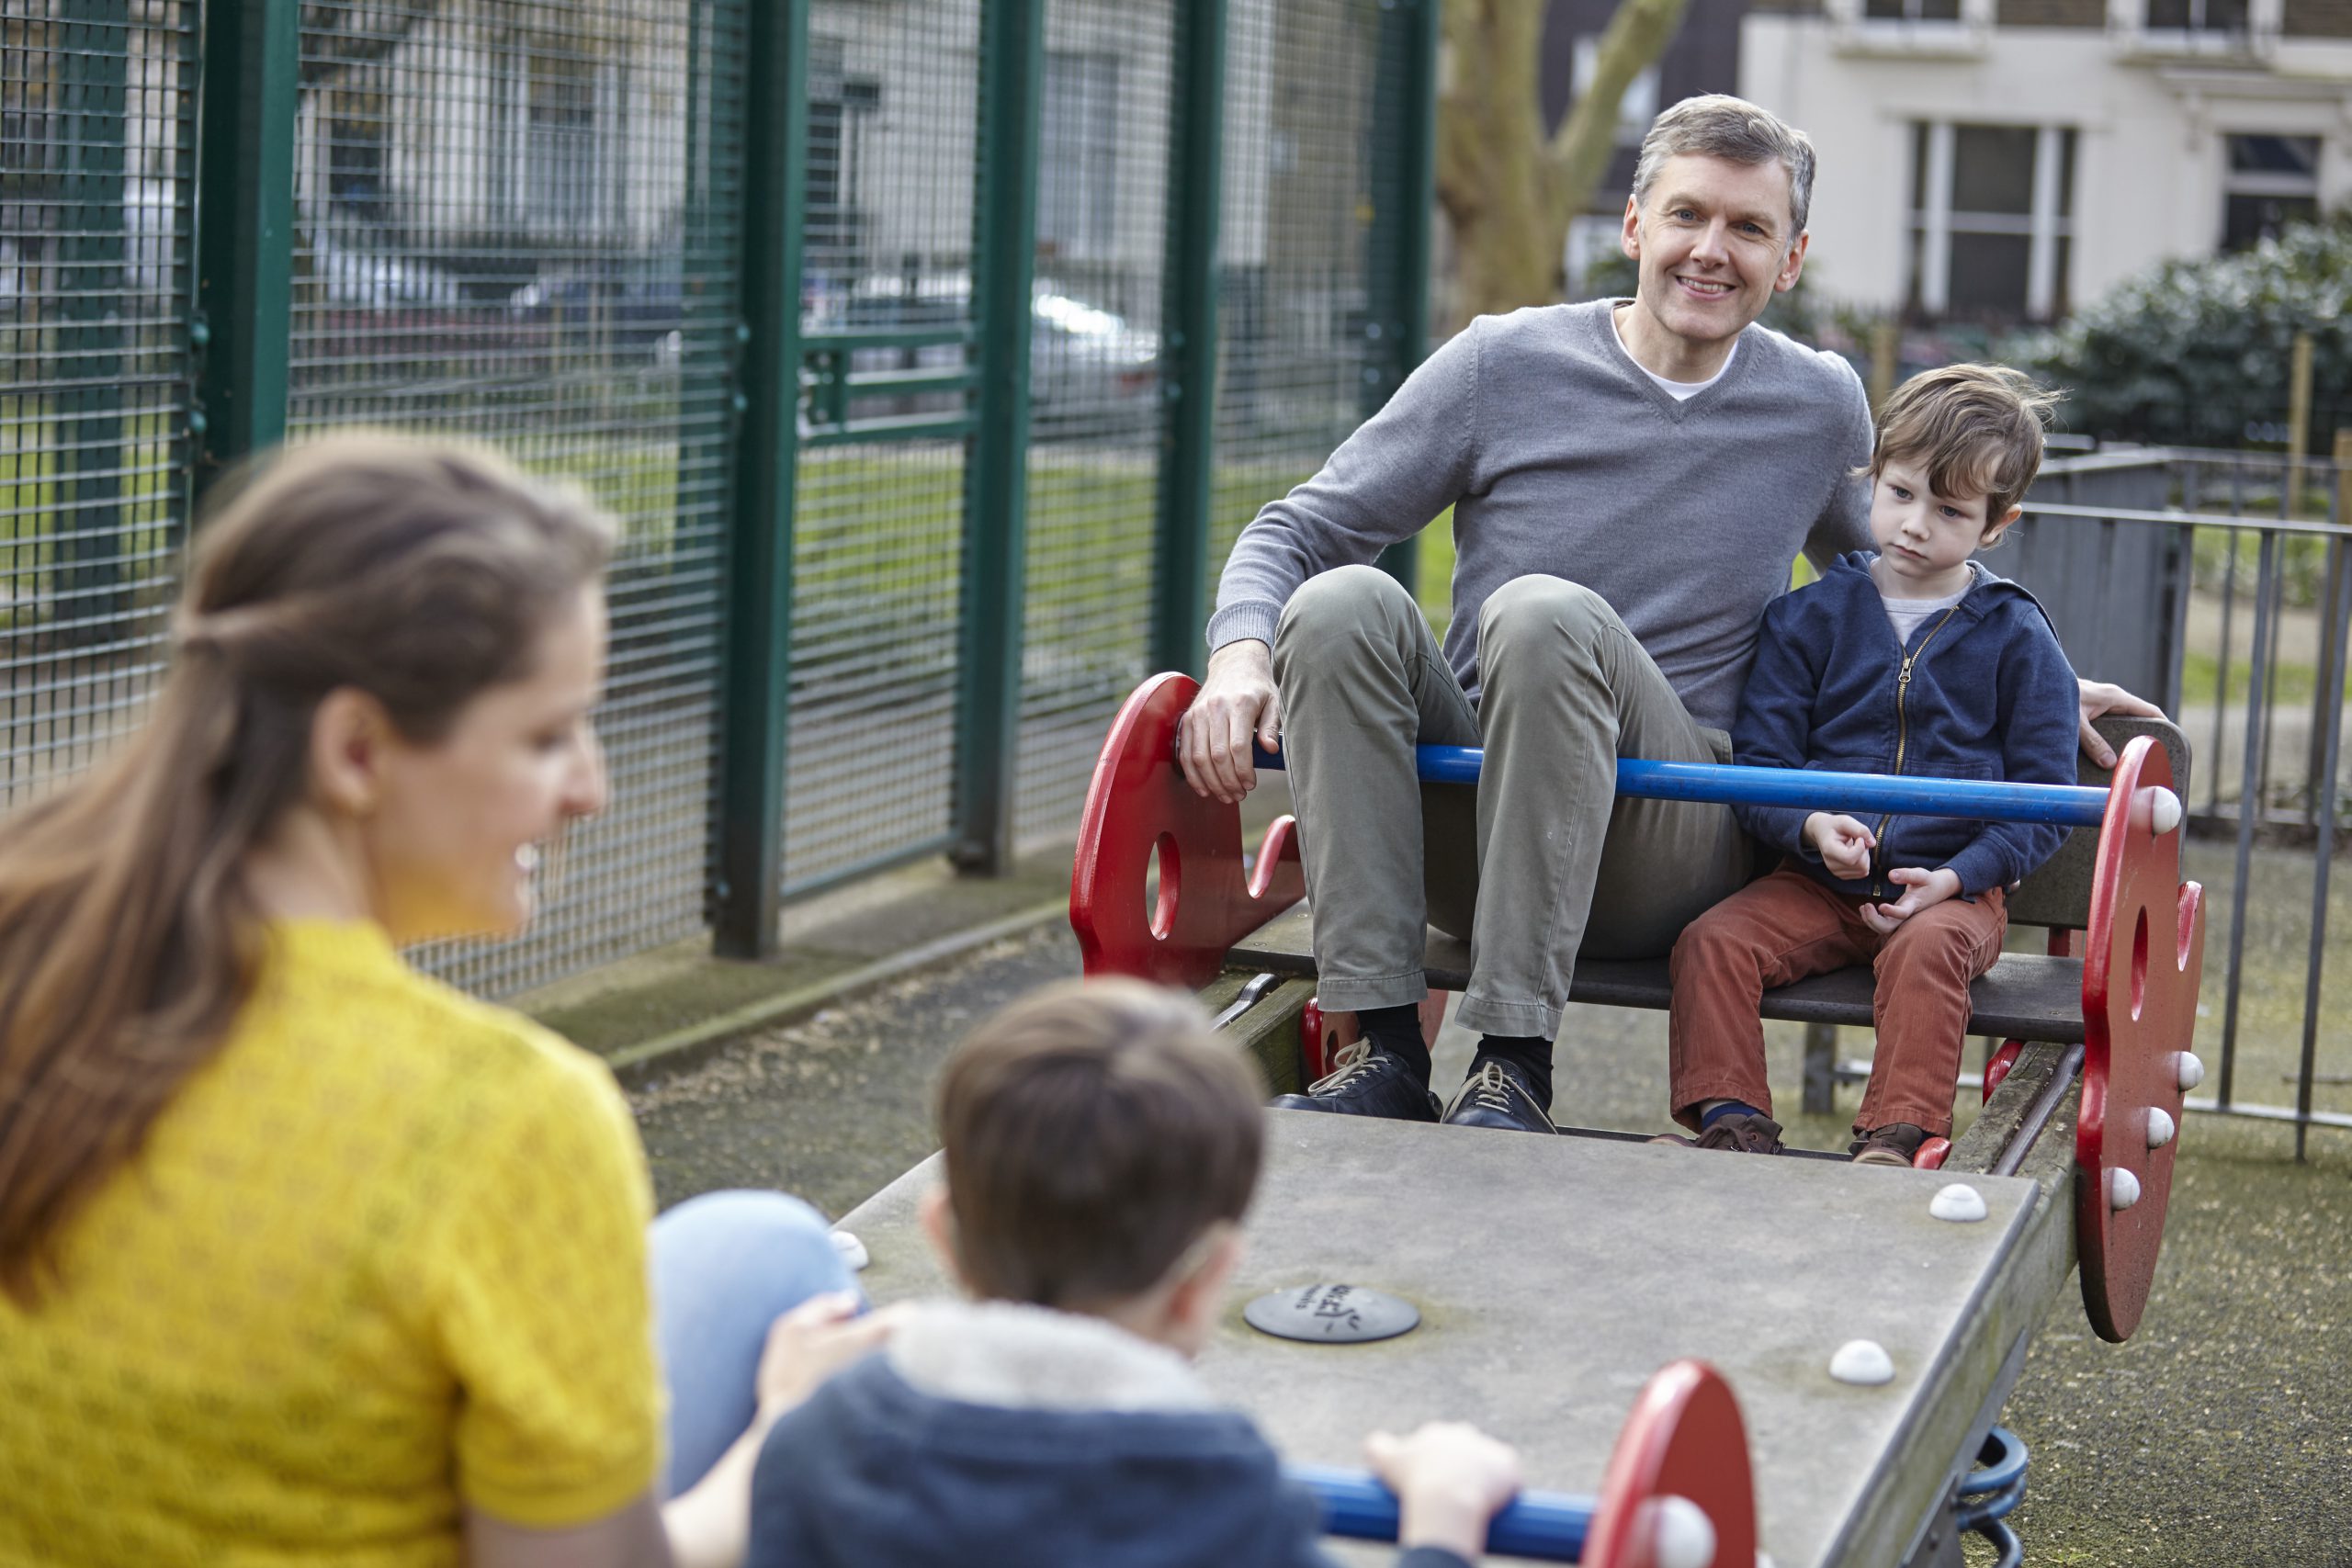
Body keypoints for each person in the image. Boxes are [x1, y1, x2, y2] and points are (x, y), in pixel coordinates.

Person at [1178, 94, 2155, 1136]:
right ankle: (1382, 1050)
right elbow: (1298, 530)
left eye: (1747, 228)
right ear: (1634, 225)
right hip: (1473, 840)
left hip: (1668, 839)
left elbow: (1899, 572)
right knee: (1338, 605)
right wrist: (1240, 657)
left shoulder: (1814, 403)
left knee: (1545, 616)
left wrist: (2027, 666)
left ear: (1790, 259)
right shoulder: (1499, 366)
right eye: (1687, 215)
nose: (1710, 250)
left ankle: (1512, 1063)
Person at [0, 434, 877, 1568]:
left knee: (759, 1242)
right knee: (802, 1312)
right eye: (547, 735)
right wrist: (785, 1436)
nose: (592, 789)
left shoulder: (39, 961)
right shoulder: (504, 1120)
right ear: (357, 750)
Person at [745, 979, 1524, 1568]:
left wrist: (778, 1420)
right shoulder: (1228, 1500)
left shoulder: (819, 1445)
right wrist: (1442, 1524)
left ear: (942, 1233)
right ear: (1200, 1287)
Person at [1663, 365, 2079, 1164]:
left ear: (1998, 523)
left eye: (1950, 510)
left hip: (1953, 890)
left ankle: (1897, 1135)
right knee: (1711, 940)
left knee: (1927, 951)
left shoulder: (2016, 635)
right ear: (1871, 480)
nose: (1916, 524)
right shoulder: (1809, 617)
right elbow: (1763, 763)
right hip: (1819, 882)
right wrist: (1813, 825)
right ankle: (1734, 1121)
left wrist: (1957, 878)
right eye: (1900, 493)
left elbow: (2045, 795)